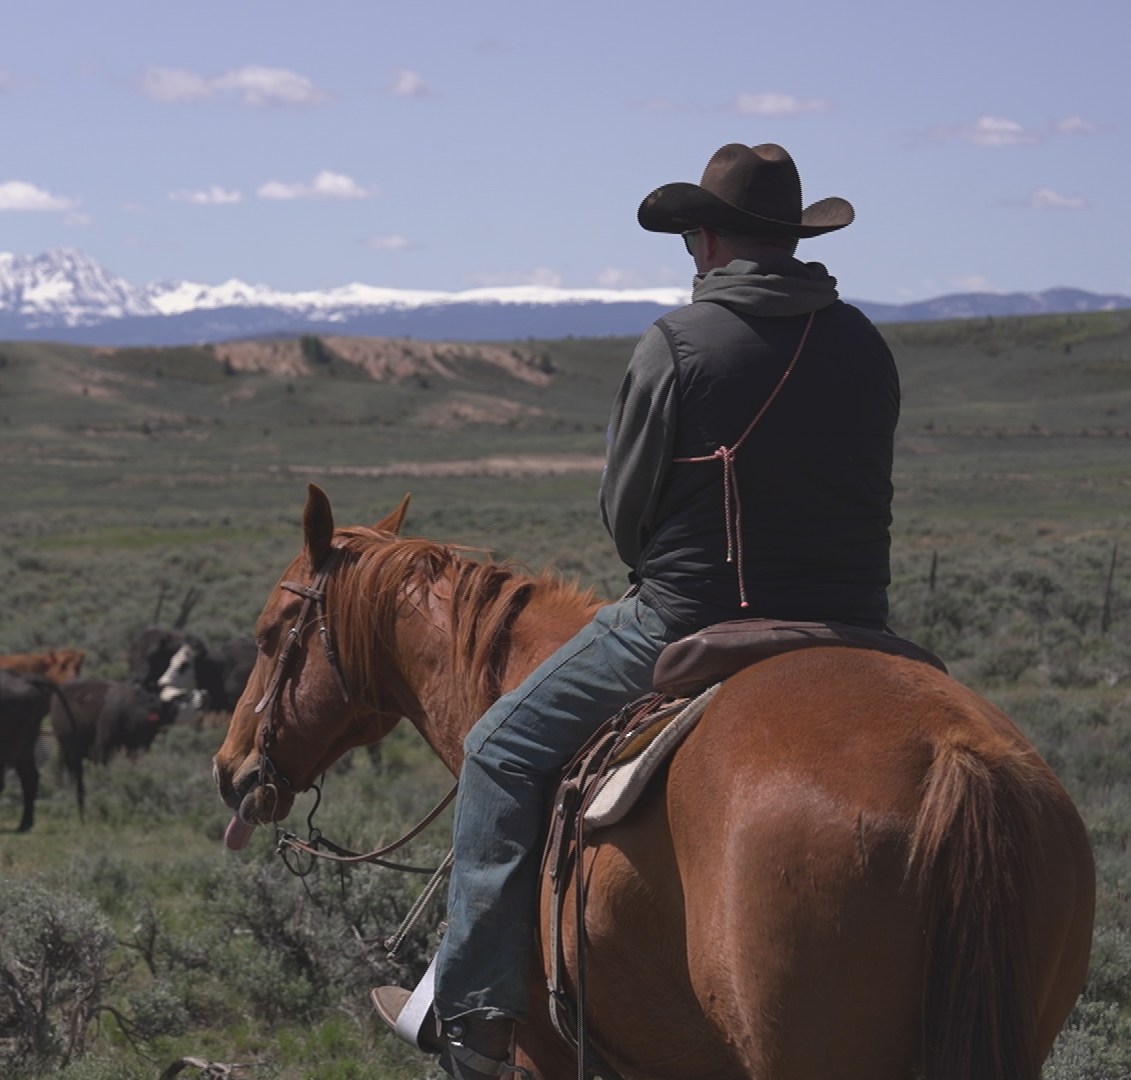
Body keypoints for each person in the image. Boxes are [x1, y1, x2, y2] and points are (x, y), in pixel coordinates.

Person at [372, 143, 900, 1078]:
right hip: (859, 624)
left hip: (692, 619)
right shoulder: (864, 340)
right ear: (789, 238)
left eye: (695, 235)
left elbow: (625, 519)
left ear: (708, 238)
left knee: (498, 750)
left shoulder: (678, 344)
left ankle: (477, 1023)